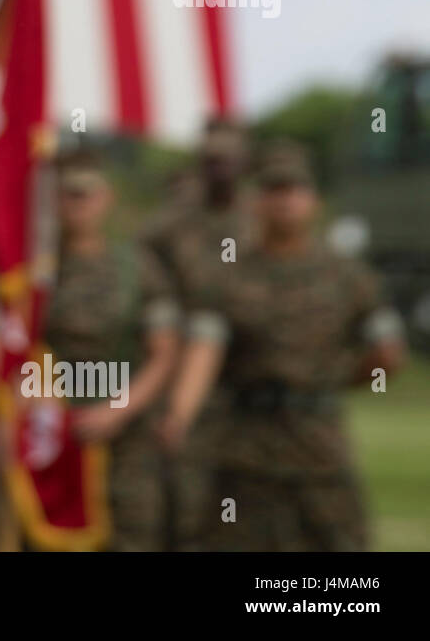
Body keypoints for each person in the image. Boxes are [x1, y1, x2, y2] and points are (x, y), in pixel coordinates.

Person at [162, 140, 406, 551]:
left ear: (314, 201)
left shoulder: (348, 277)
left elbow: (388, 353)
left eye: (295, 189)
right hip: (245, 449)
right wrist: (179, 415)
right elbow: (205, 349)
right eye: (274, 189)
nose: (285, 200)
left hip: (319, 447)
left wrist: (334, 381)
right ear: (257, 201)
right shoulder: (230, 275)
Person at [41, 149, 178, 550]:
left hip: (126, 434)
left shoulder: (138, 267)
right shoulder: (35, 268)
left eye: (86, 194)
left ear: (107, 198)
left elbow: (164, 353)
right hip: (50, 432)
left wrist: (117, 409)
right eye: (68, 194)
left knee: (129, 537)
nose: (76, 203)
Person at [142, 117, 254, 550]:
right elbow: (144, 294)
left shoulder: (263, 221)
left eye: (228, 158)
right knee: (185, 511)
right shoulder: (168, 228)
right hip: (185, 386)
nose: (220, 167)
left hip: (254, 392)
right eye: (211, 159)